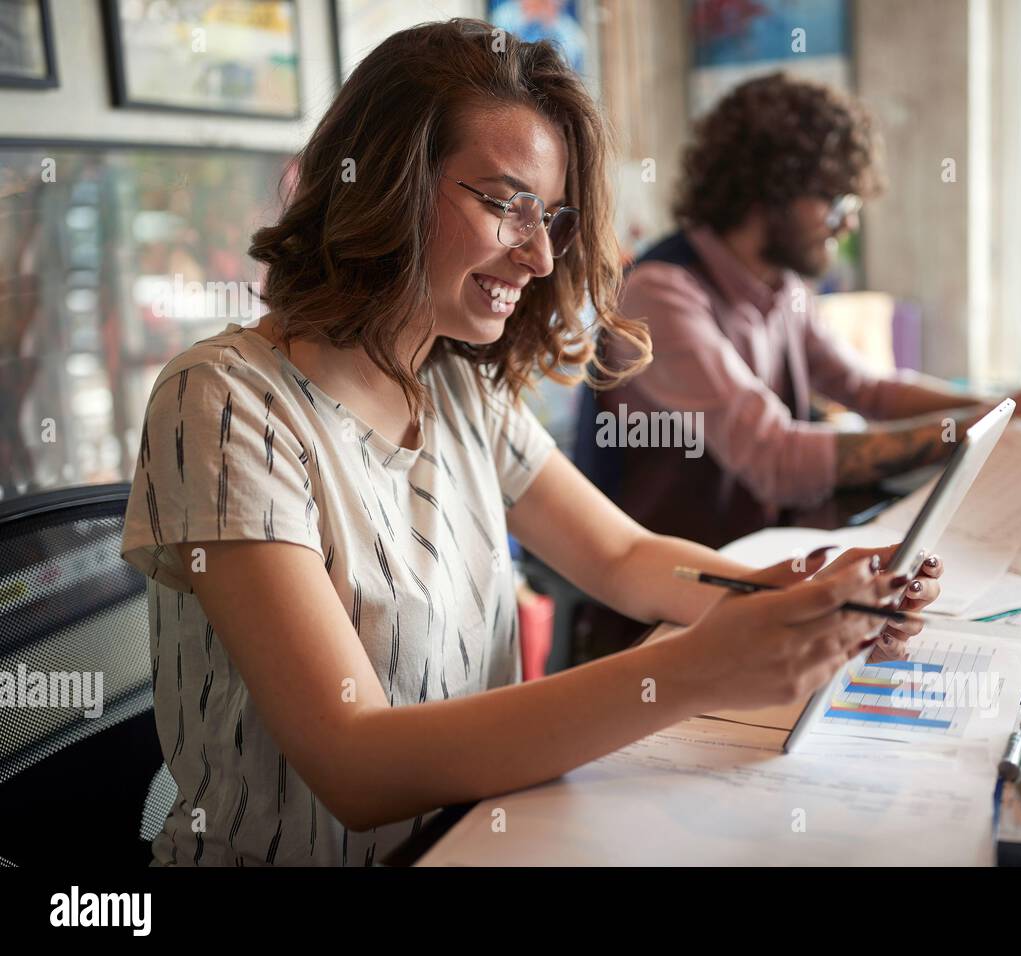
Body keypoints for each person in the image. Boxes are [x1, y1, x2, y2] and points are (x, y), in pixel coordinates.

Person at [118, 20, 943, 867]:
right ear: (386, 182)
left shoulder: (454, 382)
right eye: (506, 203)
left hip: (477, 844)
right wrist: (697, 671)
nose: (543, 255)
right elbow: (354, 763)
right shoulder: (221, 400)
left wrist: (788, 596)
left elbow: (624, 556)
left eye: (550, 216)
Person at [581, 72, 1021, 550]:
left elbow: (869, 390)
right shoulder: (660, 293)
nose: (848, 223)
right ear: (769, 192)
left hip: (757, 566)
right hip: (658, 611)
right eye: (835, 201)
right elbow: (776, 459)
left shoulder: (781, 288)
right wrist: (982, 423)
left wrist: (1009, 406)